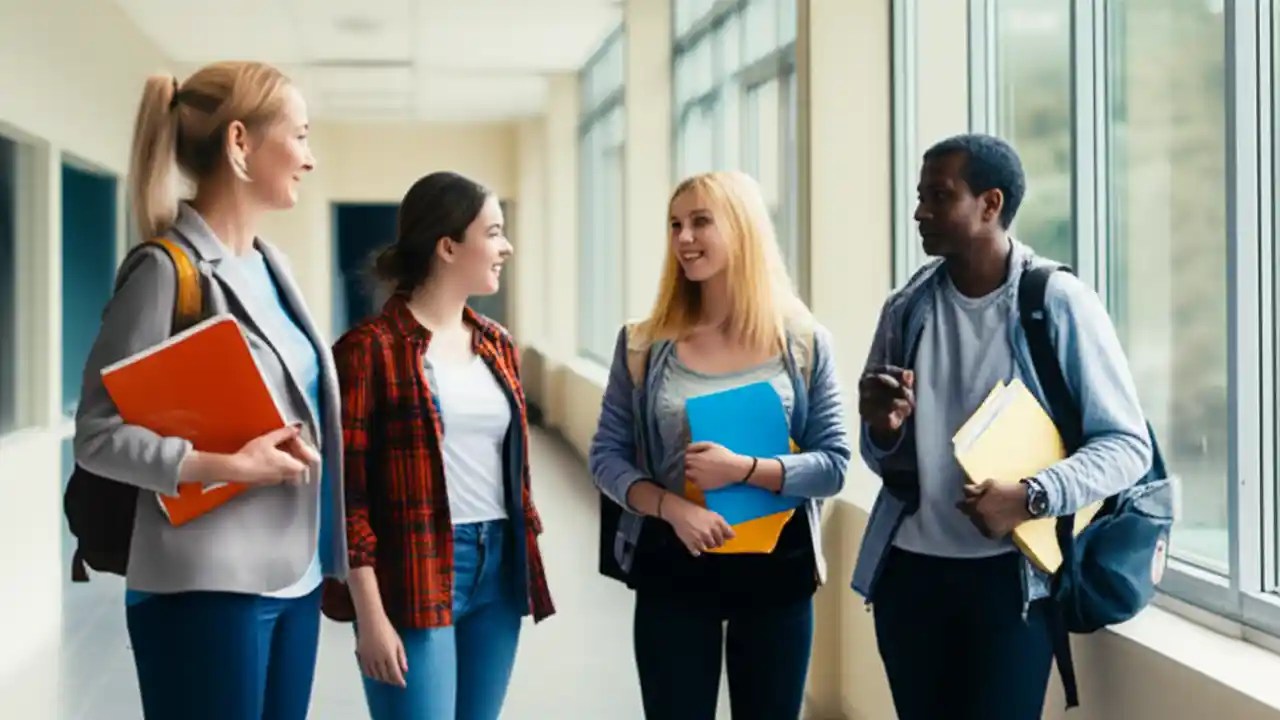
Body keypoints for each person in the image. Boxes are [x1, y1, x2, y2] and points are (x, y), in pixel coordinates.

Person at [74, 62, 345, 719]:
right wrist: (227, 466)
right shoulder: (164, 271)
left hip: (294, 578)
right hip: (205, 588)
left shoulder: (271, 265)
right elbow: (96, 435)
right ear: (239, 144)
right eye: (301, 136)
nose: (310, 158)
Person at [850, 134, 1153, 719]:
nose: (920, 212)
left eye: (939, 196)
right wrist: (883, 431)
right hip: (909, 576)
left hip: (1010, 585)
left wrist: (1032, 497)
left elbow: (1126, 444)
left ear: (990, 205)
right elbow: (882, 458)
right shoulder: (905, 308)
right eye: (920, 196)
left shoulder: (1057, 302)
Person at [589, 171, 852, 720]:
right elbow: (606, 456)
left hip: (777, 568)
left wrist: (746, 469)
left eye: (701, 221)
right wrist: (670, 506)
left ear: (743, 228)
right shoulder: (643, 342)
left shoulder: (801, 342)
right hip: (673, 563)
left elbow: (833, 466)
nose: (684, 238)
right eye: (675, 225)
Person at [323, 171, 555, 720]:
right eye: (494, 232)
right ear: (448, 246)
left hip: (498, 563)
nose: (507, 247)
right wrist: (370, 613)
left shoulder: (496, 344)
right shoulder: (366, 352)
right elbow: (345, 496)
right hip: (414, 561)